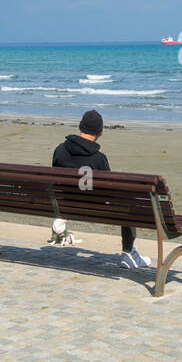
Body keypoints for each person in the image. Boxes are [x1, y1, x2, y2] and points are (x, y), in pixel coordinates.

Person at [52, 109, 152, 270]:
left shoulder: (60, 150)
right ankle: (128, 252)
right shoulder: (98, 159)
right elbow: (110, 192)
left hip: (65, 206)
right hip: (95, 209)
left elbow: (56, 182)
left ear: (80, 127)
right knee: (129, 202)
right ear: (100, 132)